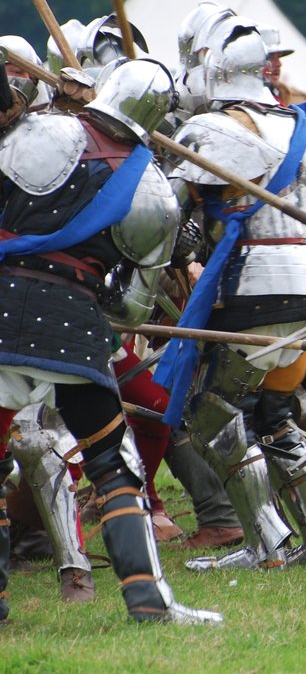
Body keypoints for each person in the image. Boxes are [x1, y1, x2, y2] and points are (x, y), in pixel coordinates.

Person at [0, 59, 220, 623]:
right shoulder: (156, 194)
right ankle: (149, 601)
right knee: (114, 466)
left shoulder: (41, 129)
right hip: (74, 324)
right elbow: (129, 309)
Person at [160, 25, 306, 570]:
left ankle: (267, 543)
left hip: (255, 287)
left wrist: (177, 255)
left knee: (211, 415)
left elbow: (167, 219)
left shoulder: (212, 128)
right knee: (274, 411)